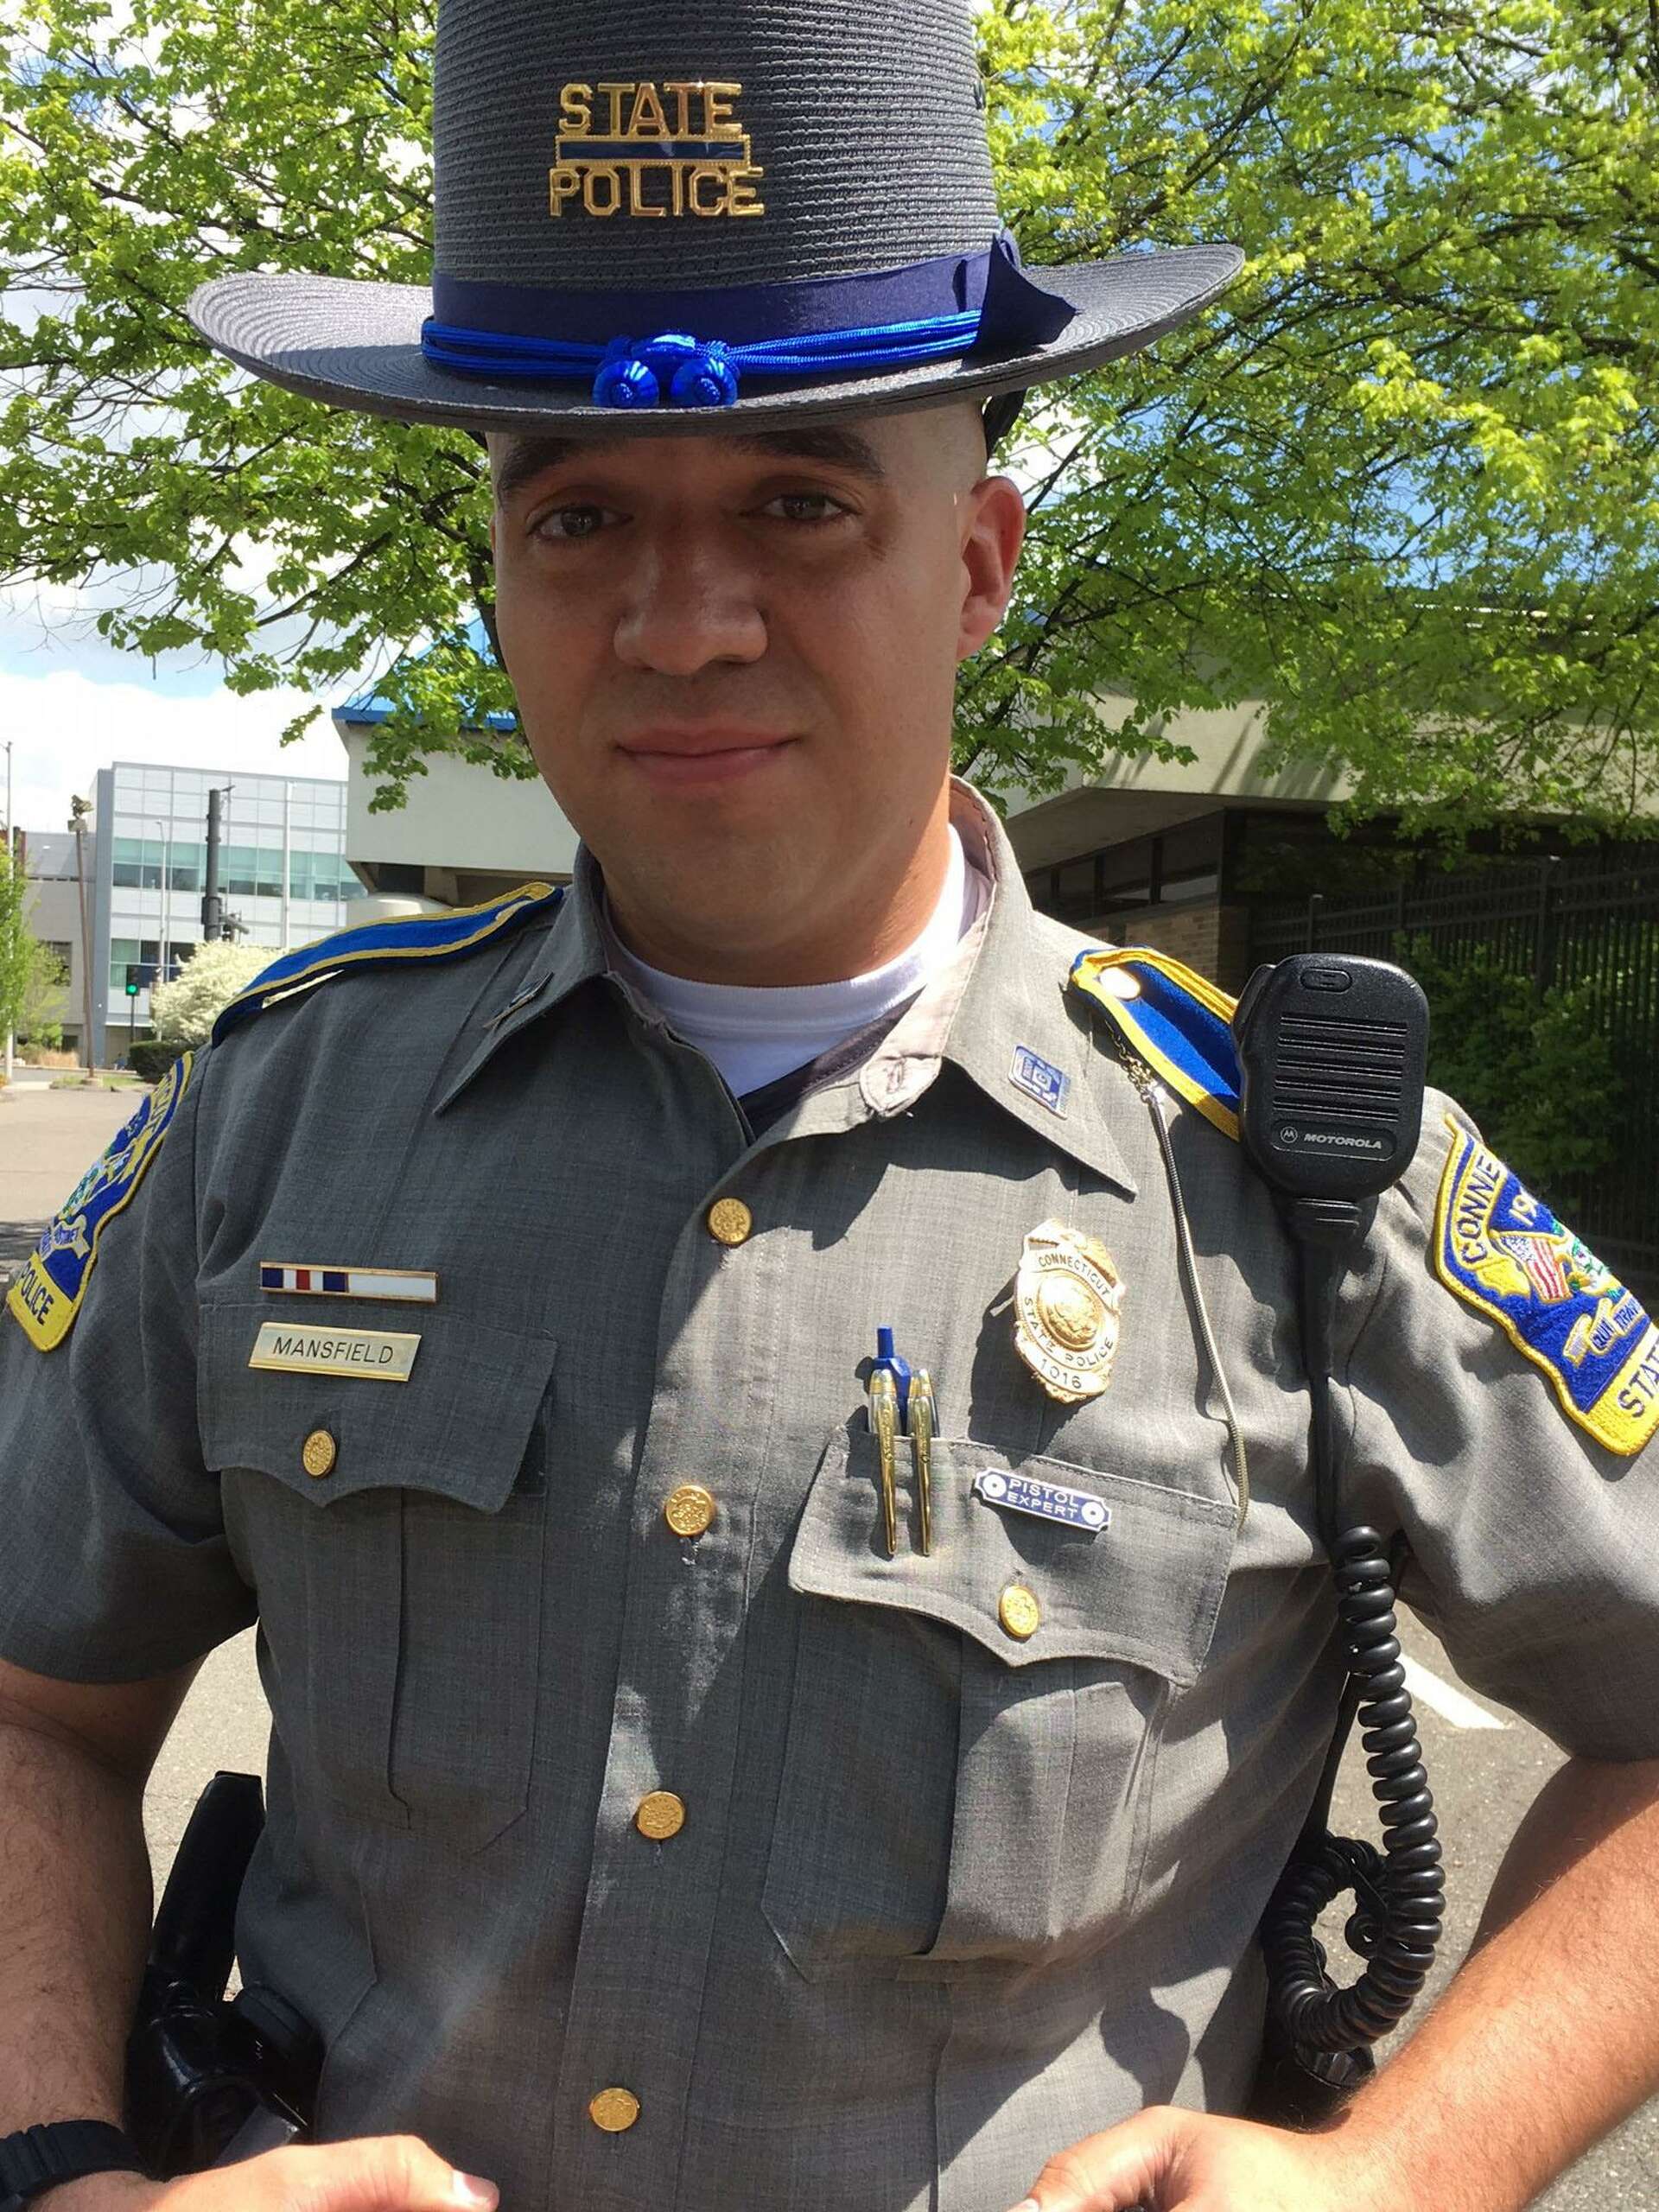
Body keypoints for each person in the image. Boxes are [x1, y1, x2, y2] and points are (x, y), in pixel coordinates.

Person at [2, 3, 1657, 2210]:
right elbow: (34, 1706)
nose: (684, 623)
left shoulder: (1291, 1172)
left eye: (801, 502)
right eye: (583, 513)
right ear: (503, 570)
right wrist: (69, 2165)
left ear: (973, 562)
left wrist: (1412, 2169)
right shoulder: (277, 1117)